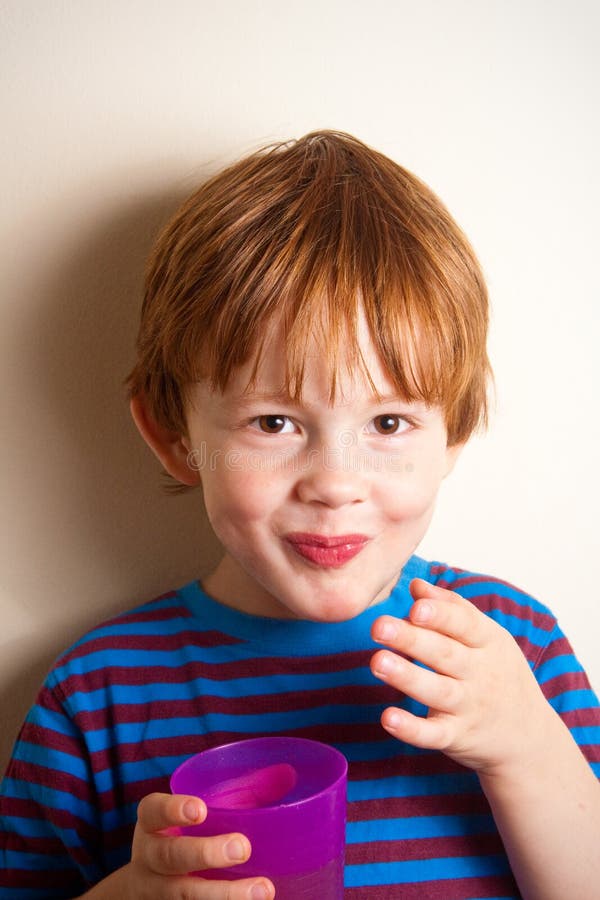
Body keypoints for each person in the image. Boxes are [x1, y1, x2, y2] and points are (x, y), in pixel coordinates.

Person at [1, 131, 599, 900]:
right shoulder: (96, 700)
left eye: (387, 425)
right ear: (174, 438)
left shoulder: (513, 648)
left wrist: (526, 747)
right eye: (274, 423)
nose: (335, 484)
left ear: (453, 432)